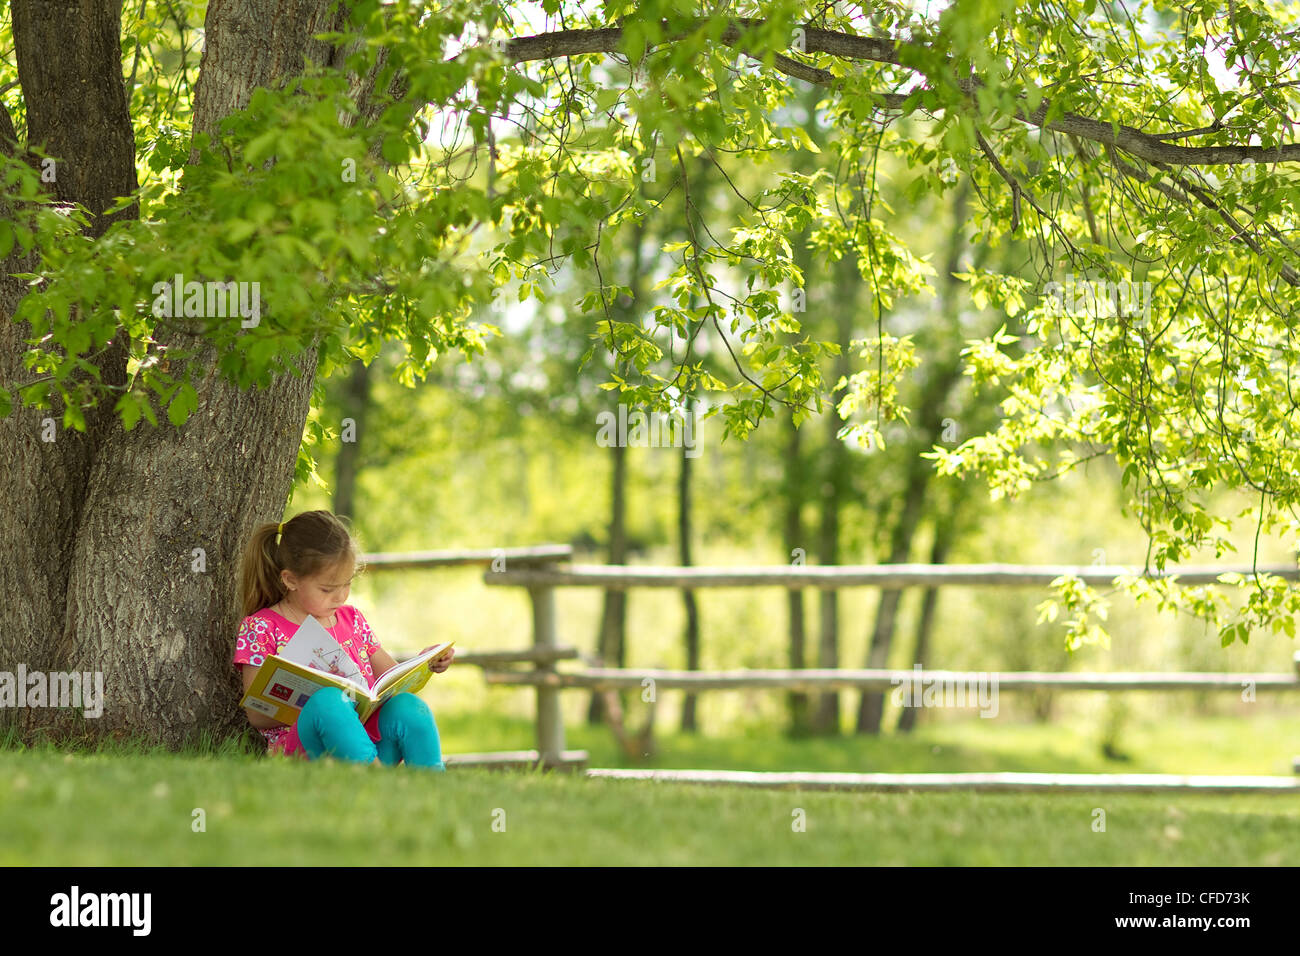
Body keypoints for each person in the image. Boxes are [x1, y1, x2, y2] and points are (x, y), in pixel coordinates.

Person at [233, 509, 454, 769]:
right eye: (327, 589)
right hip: (309, 750)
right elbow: (257, 714)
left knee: (408, 706)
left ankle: (430, 784)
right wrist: (318, 700)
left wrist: (424, 664)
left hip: (367, 740)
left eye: (347, 584)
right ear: (291, 580)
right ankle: (374, 781)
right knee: (329, 701)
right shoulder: (261, 627)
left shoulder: (352, 619)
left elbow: (390, 682)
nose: (340, 597)